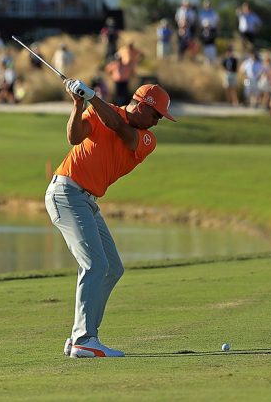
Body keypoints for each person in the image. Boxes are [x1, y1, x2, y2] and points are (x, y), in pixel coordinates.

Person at [46, 80, 175, 358]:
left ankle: (81, 335)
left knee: (112, 268)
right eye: (156, 115)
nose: (157, 122)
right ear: (142, 105)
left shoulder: (145, 139)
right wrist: (78, 103)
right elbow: (73, 137)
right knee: (95, 264)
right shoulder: (99, 111)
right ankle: (84, 338)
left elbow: (120, 129)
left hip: (87, 201)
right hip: (66, 193)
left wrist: (92, 97)